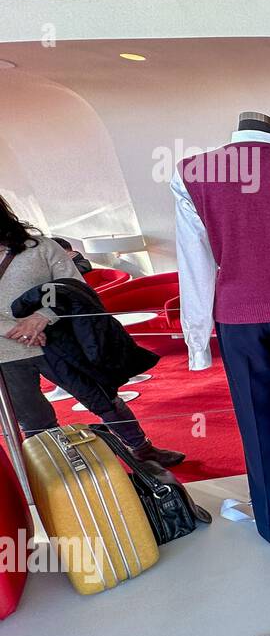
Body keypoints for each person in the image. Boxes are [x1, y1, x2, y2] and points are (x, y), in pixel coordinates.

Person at [0, 196, 185, 467]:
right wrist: (16, 328)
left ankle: (141, 448)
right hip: (7, 351)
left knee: (103, 398)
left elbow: (75, 287)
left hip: (60, 340)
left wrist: (42, 318)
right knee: (33, 418)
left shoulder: (40, 247)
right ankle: (53, 469)